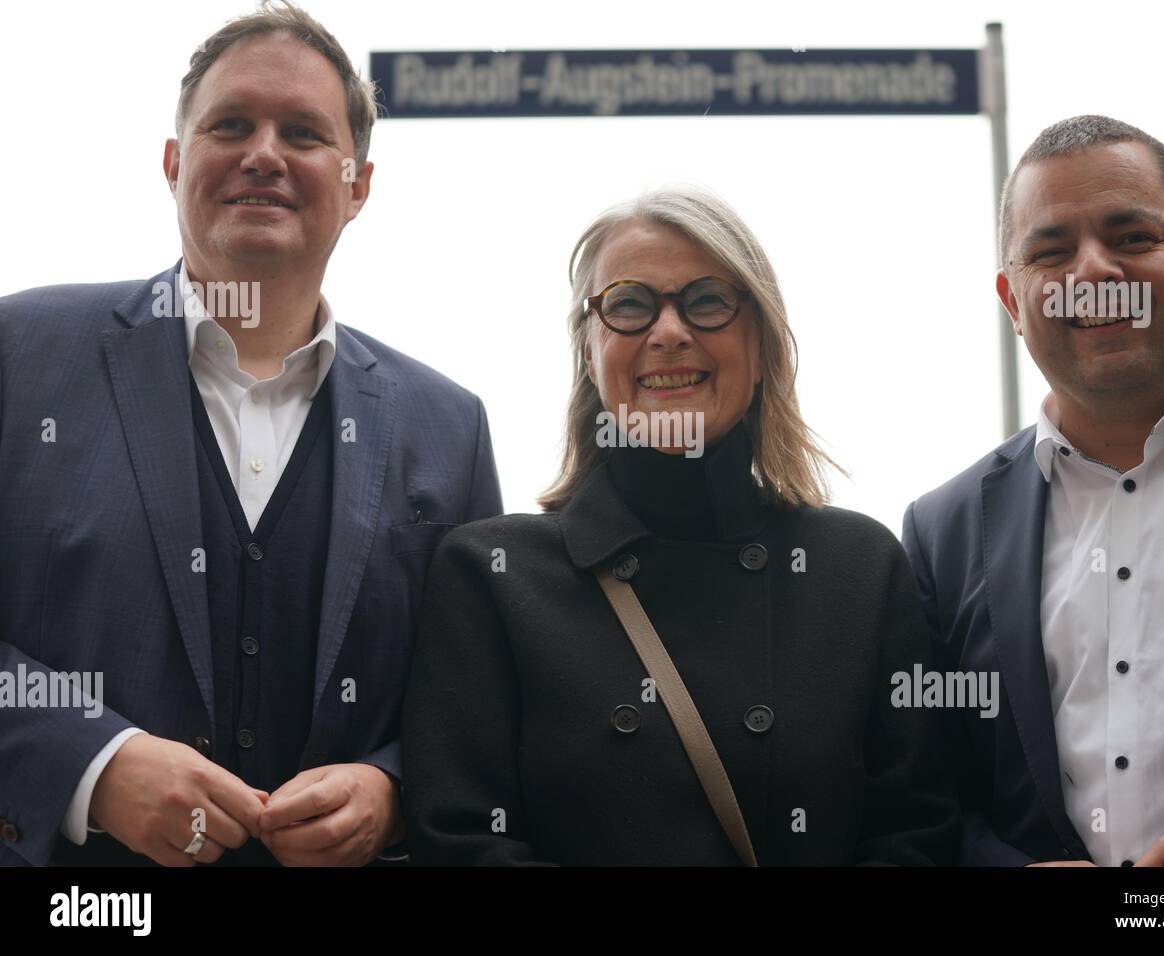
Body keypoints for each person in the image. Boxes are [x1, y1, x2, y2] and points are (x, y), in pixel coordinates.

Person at [0, 1, 501, 867]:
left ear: (358, 187)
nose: (263, 153)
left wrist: (393, 788)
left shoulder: (448, 428)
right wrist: (88, 764)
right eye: (231, 124)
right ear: (173, 163)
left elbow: (477, 699)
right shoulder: (19, 355)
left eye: (303, 133)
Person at [401, 186, 958, 865]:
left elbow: (919, 836)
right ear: (589, 351)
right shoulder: (493, 575)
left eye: (708, 301)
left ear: (762, 347)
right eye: (630, 305)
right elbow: (461, 844)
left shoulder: (861, 569)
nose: (669, 332)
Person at [902, 114, 1164, 867]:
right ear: (1013, 303)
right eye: (1050, 252)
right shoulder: (941, 532)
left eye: (1131, 237)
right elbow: (926, 789)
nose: (1093, 273)